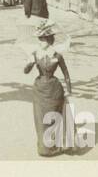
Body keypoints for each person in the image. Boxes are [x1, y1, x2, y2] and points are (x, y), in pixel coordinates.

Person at [24, 20, 73, 157]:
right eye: (39, 39)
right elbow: (25, 71)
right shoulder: (35, 54)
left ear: (49, 40)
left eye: (43, 40)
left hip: (54, 89)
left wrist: (69, 90)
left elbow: (66, 74)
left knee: (54, 118)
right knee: (41, 120)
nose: (40, 42)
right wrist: (29, 64)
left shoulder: (57, 55)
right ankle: (45, 148)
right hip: (39, 90)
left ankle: (55, 144)